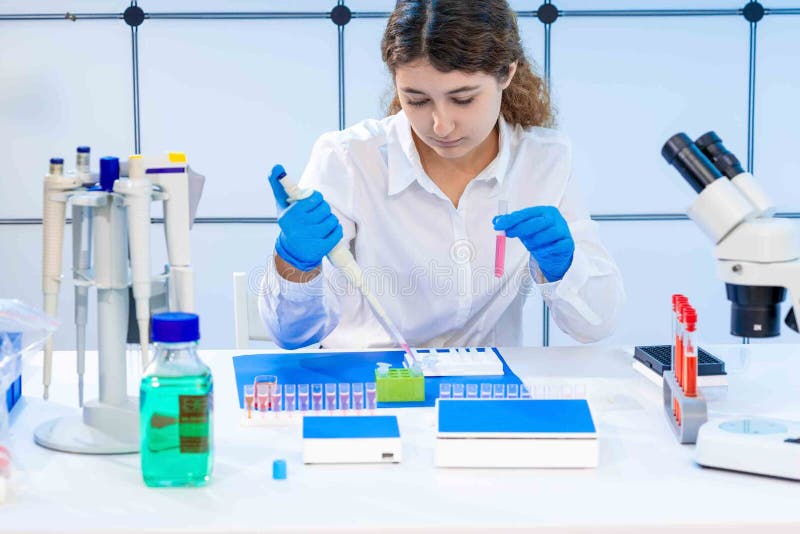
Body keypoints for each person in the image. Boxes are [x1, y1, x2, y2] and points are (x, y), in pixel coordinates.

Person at [259, 0, 624, 349]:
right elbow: (292, 335)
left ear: (507, 73)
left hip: (486, 392)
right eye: (416, 100)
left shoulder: (545, 160)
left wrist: (565, 267)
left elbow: (595, 325)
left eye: (463, 99)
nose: (441, 125)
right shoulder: (349, 159)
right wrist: (295, 262)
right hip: (370, 384)